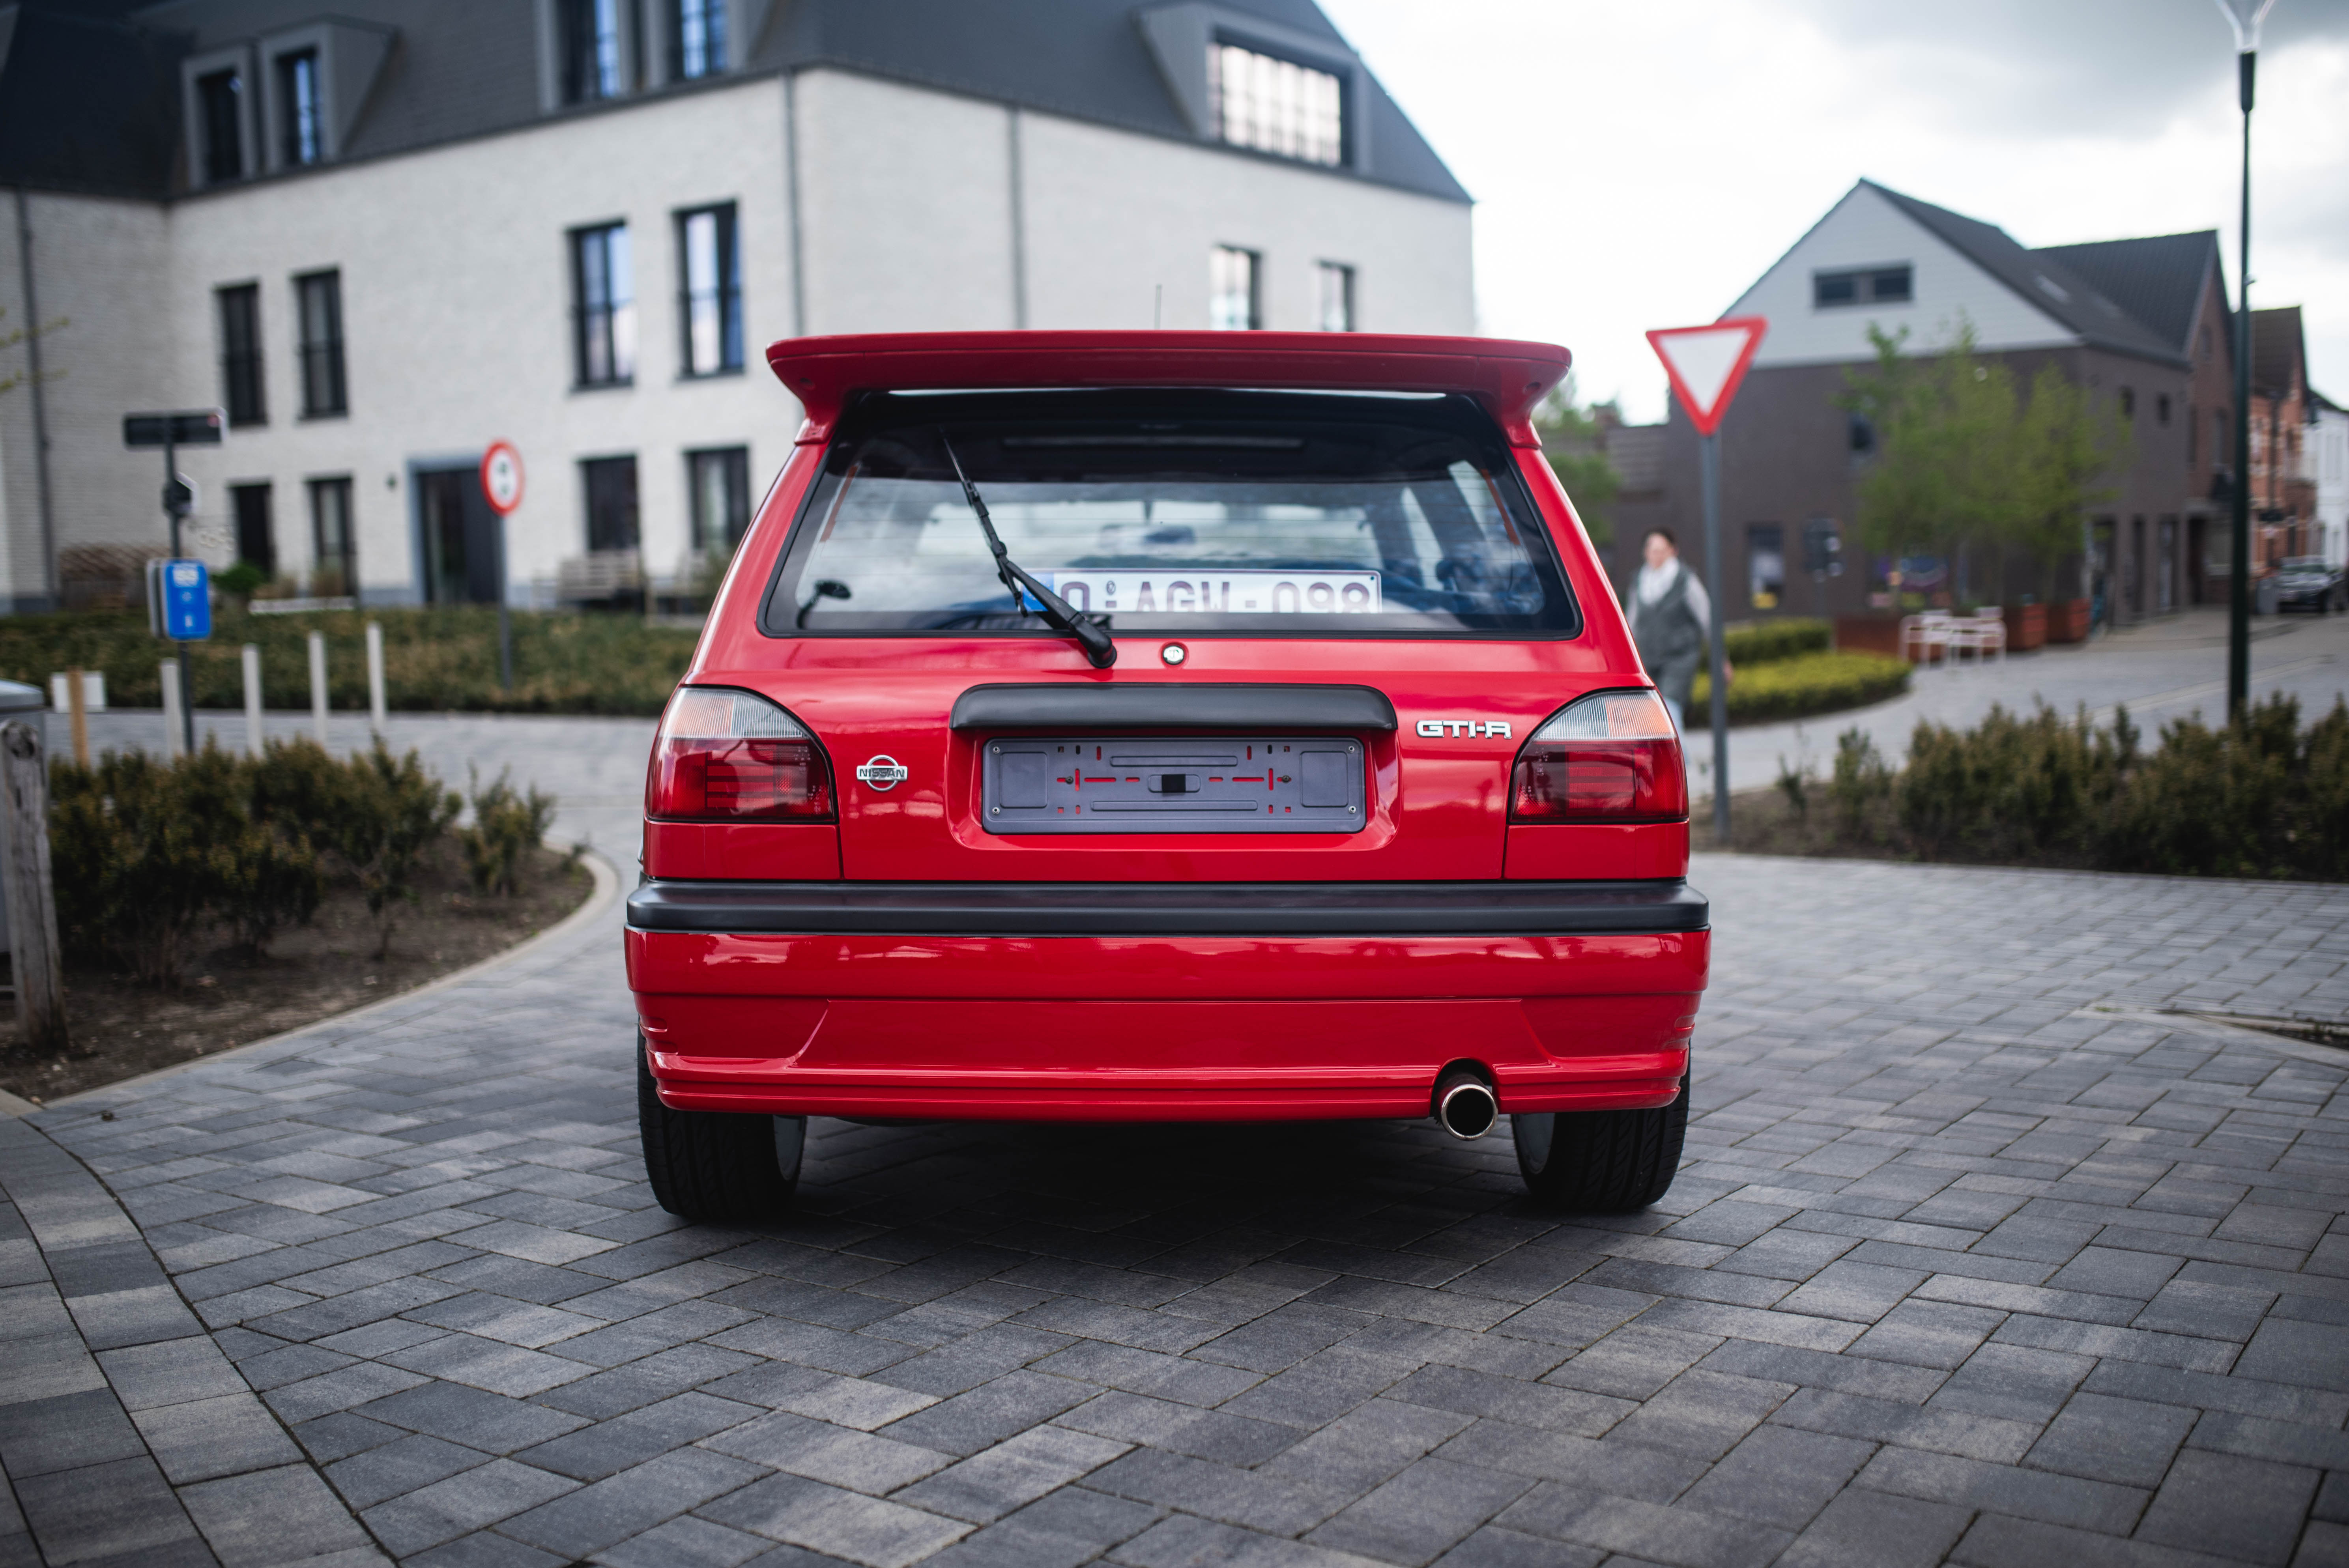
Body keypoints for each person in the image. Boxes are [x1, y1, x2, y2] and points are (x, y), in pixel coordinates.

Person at [1623, 528, 1728, 731]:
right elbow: (1632, 623)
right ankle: (1680, 761)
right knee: (1650, 718)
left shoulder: (1685, 580)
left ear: (1673, 551)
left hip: (1679, 658)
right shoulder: (1639, 582)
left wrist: (1721, 657)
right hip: (1648, 659)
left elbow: (1707, 618)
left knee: (1669, 711)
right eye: (1652, 550)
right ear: (1646, 553)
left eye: (1662, 550)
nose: (1657, 555)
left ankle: (1680, 762)